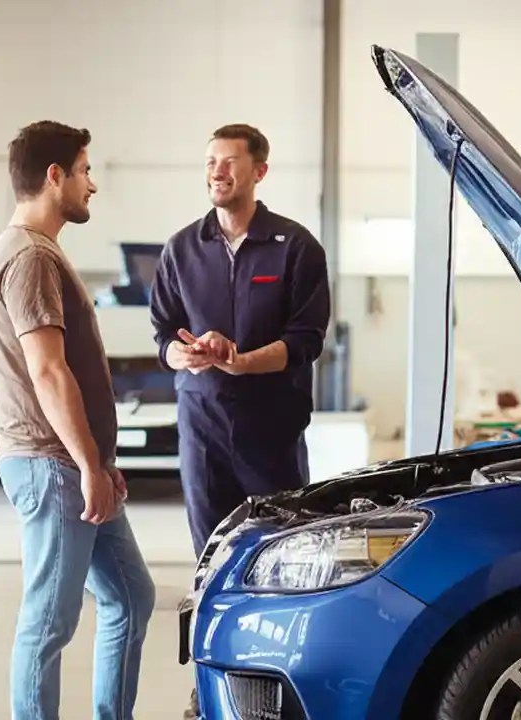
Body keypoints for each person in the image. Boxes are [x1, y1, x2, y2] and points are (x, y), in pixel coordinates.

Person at [0, 120, 155, 720]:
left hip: (73, 463)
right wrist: (87, 464)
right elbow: (49, 373)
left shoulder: (40, 251)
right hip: (51, 465)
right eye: (85, 170)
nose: (93, 184)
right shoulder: (29, 256)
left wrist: (101, 462)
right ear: (54, 177)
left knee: (131, 595)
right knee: (48, 623)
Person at [149, 123, 331, 557]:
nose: (218, 171)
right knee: (211, 556)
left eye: (230, 161)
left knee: (283, 552)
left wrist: (241, 361)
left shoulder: (296, 247)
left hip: (271, 429)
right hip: (202, 428)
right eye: (211, 162)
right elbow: (162, 336)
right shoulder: (181, 249)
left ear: (259, 172)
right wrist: (186, 355)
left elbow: (306, 340)